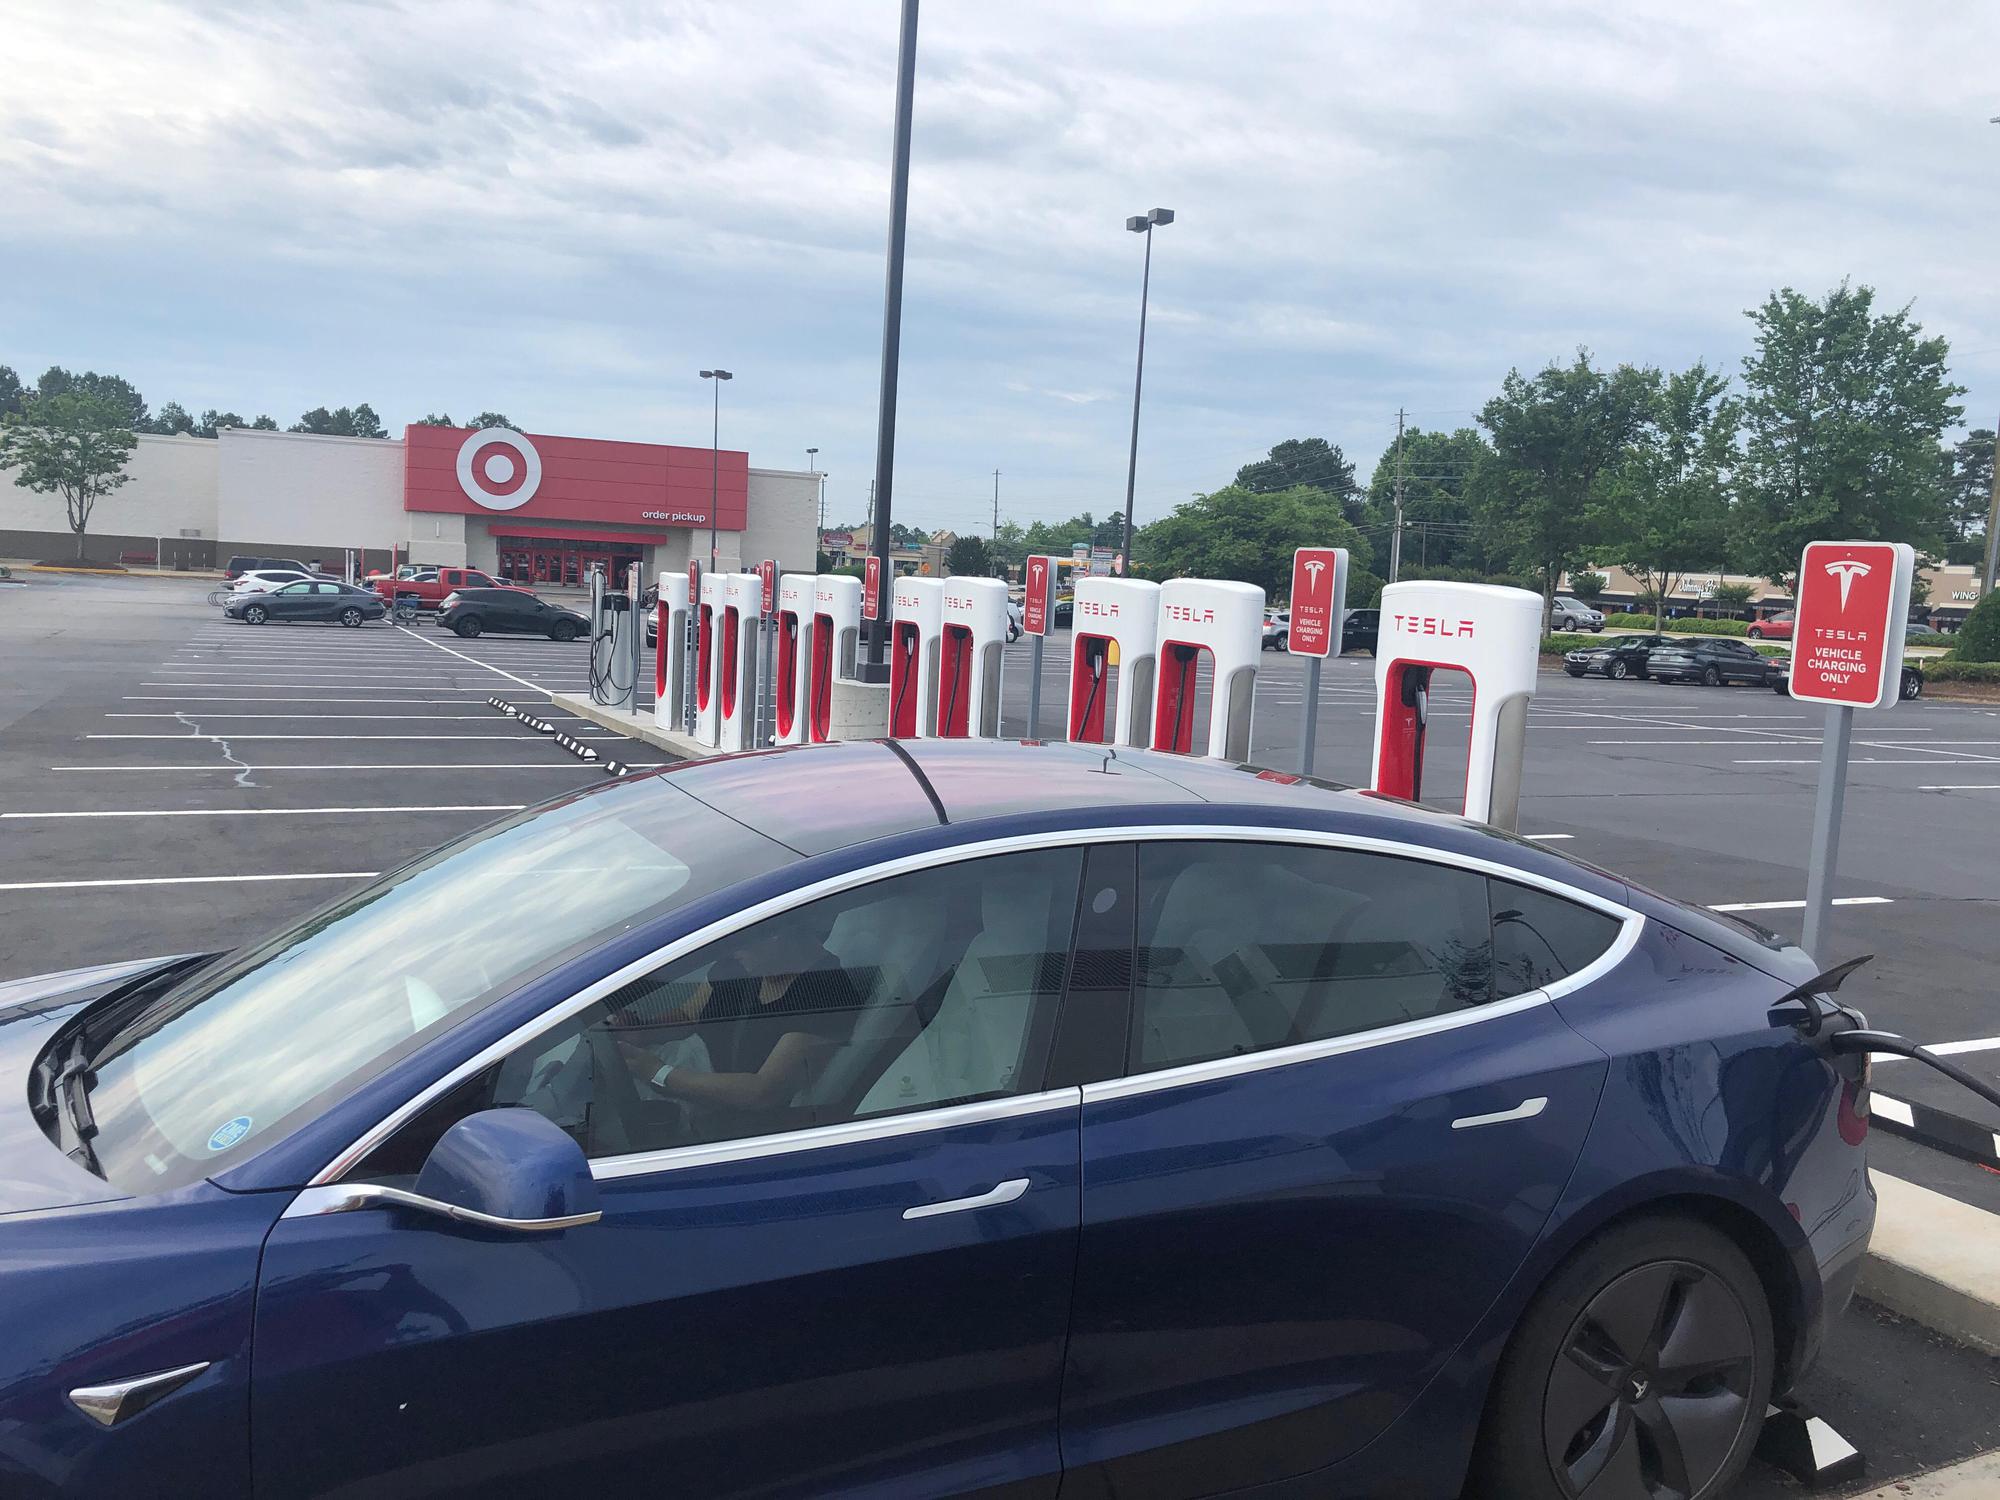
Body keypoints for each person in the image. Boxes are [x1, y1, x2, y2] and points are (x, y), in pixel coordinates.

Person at [616, 917, 864, 1115]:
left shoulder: (826, 994)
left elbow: (764, 1091)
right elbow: (689, 1015)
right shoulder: (737, 966)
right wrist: (643, 1033)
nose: (732, 951)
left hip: (717, 1109)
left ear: (774, 935)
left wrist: (659, 1074)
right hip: (676, 1070)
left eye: (739, 942)